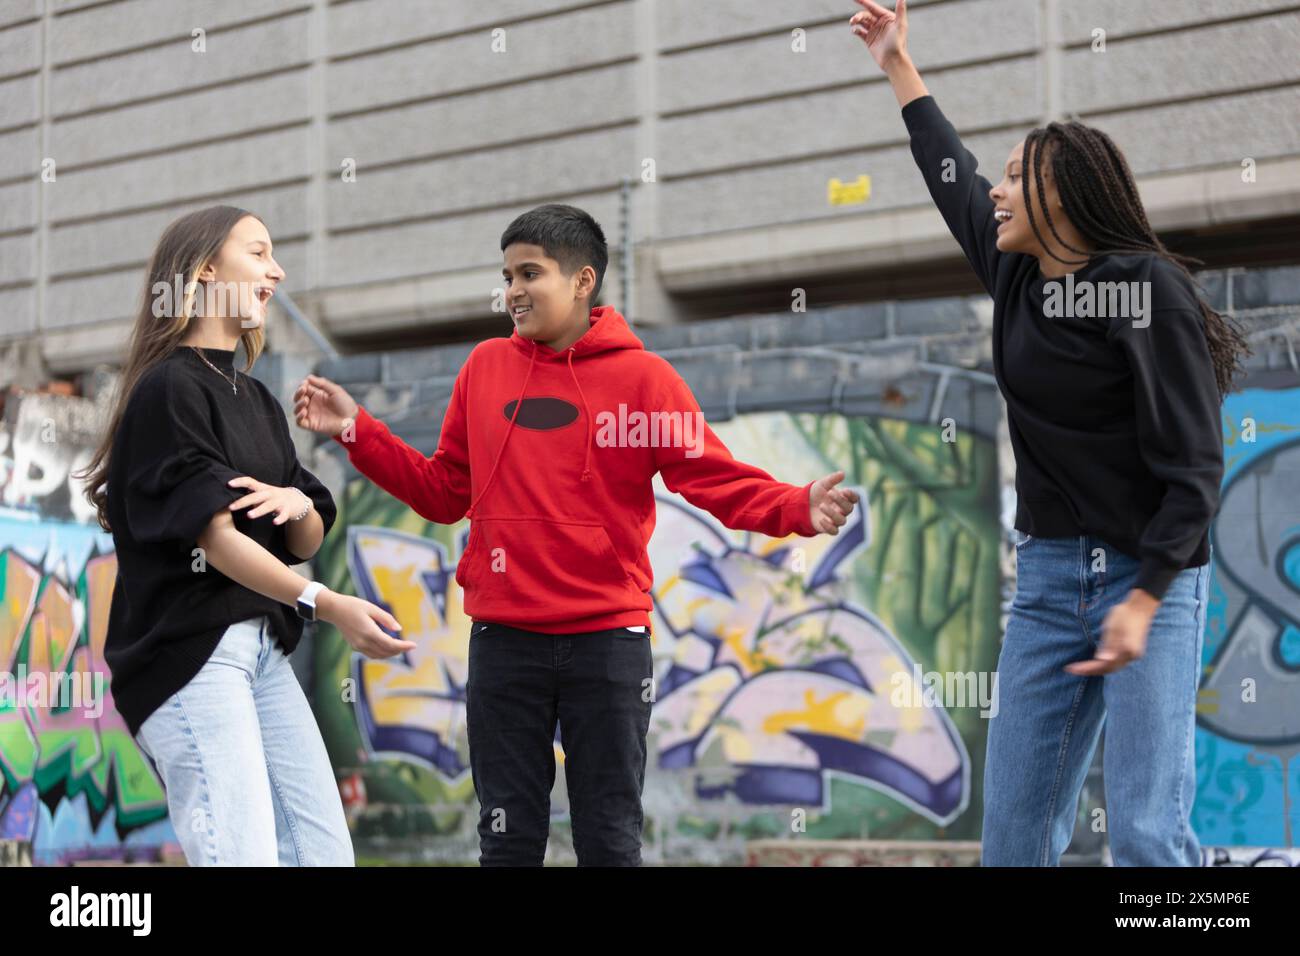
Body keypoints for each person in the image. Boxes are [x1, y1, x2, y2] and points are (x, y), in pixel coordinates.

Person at [294, 203, 860, 865]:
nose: (512, 292)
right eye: (507, 275)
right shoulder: (484, 369)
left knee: (609, 841)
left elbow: (711, 477)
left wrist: (796, 505)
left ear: (583, 281)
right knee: (506, 840)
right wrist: (359, 431)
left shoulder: (643, 380)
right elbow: (445, 492)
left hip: (607, 645)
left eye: (529, 273)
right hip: (503, 642)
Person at [851, 0, 1249, 865]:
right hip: (1045, 583)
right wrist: (895, 62)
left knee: (1144, 830)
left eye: (1013, 176)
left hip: (1150, 576)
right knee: (1016, 841)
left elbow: (1194, 471)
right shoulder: (1015, 276)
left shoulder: (1147, 290)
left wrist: (1142, 601)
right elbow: (946, 168)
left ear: (1061, 194)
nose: (993, 190)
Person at [82, 205, 414, 866]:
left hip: (263, 654)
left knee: (324, 855)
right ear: (205, 269)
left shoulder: (256, 400)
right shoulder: (170, 388)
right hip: (193, 659)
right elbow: (217, 539)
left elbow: (306, 535)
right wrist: (326, 603)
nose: (277, 270)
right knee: (242, 856)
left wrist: (296, 502)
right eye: (259, 253)